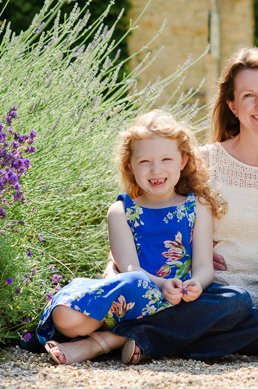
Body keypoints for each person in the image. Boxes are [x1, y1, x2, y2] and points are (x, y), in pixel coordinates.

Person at [105, 47, 258, 363]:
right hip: (205, 296)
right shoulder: (204, 161)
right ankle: (178, 338)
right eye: (248, 96)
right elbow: (145, 217)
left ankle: (176, 342)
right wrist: (114, 267)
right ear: (232, 104)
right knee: (235, 301)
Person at [37, 110, 222, 365]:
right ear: (130, 166)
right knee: (64, 318)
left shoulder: (197, 206)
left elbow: (203, 266)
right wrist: (160, 284)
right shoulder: (121, 211)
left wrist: (197, 284)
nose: (156, 170)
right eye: (145, 161)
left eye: (167, 158)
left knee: (227, 300)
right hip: (133, 293)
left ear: (183, 160)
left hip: (176, 301)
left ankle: (108, 340)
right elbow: (130, 269)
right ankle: (129, 334)